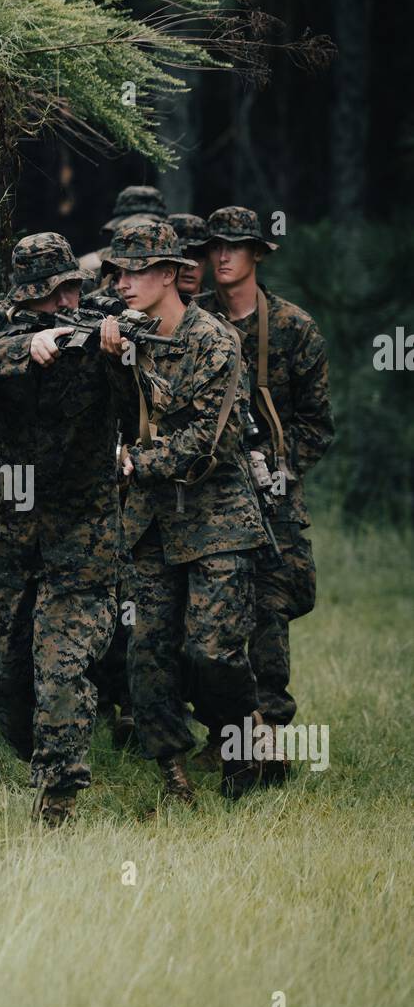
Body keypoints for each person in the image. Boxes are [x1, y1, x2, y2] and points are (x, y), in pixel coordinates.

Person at [0, 232, 166, 826]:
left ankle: (58, 798)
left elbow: (153, 404)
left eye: (69, 291)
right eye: (49, 296)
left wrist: (120, 357)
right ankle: (44, 751)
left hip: (82, 535)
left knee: (62, 666)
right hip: (6, 534)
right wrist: (22, 349)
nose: (63, 304)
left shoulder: (106, 324)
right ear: (23, 297)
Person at [110, 220, 269, 804]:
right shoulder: (123, 337)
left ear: (168, 274)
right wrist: (107, 354)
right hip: (152, 522)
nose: (123, 283)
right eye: (118, 272)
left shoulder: (214, 341)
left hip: (216, 519)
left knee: (212, 652)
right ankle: (172, 775)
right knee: (148, 651)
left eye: (135, 271)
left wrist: (137, 462)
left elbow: (213, 440)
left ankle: (242, 749)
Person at [198, 206, 334, 783]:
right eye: (215, 246)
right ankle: (226, 733)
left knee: (269, 611)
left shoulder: (293, 327)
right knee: (208, 622)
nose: (223, 255)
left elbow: (317, 425)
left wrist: (276, 464)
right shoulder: (196, 321)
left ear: (257, 252)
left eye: (235, 246)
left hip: (272, 498)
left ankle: (270, 735)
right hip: (208, 496)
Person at [168, 213, 211, 301]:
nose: (190, 265)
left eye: (198, 256)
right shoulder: (144, 304)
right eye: (182, 254)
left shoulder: (223, 306)